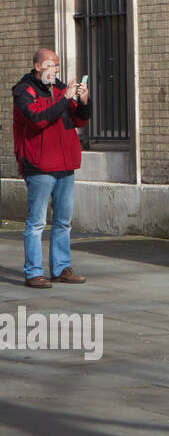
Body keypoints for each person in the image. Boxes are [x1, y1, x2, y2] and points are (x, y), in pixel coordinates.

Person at [12, 49, 91, 289]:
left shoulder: (59, 89)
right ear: (37, 66)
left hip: (65, 164)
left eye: (56, 65)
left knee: (63, 221)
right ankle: (34, 272)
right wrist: (65, 99)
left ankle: (61, 268)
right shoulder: (23, 92)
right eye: (51, 65)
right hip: (39, 166)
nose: (55, 69)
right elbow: (38, 119)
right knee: (36, 222)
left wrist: (84, 102)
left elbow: (79, 120)